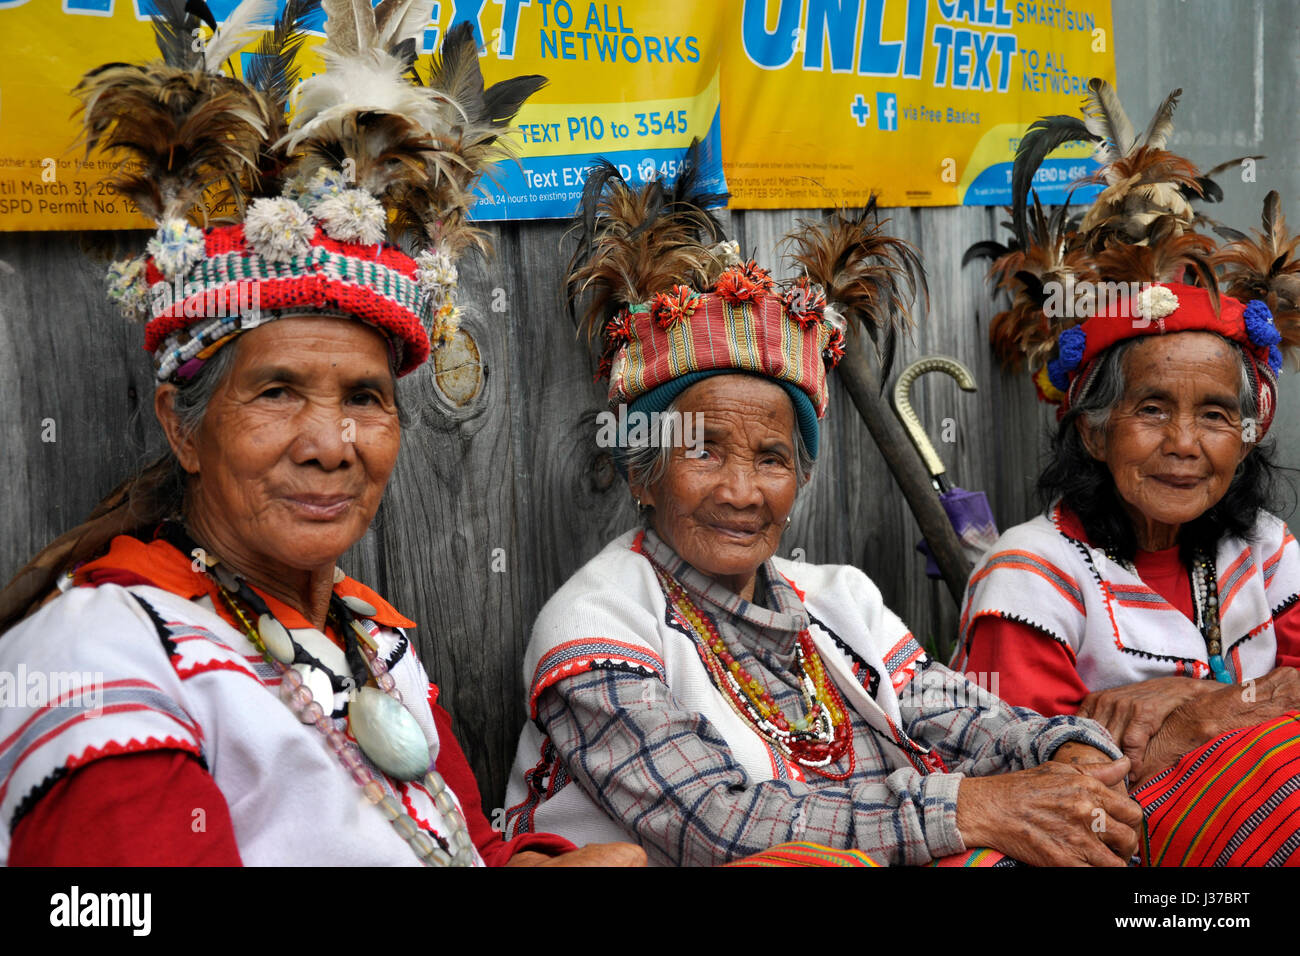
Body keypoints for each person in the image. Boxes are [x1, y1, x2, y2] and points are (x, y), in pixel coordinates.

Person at [0, 5, 641, 867]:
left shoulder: (373, 641)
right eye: (275, 392)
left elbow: (462, 847)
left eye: (365, 398)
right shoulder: (101, 650)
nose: (332, 443)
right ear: (181, 430)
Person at [501, 162, 1142, 867]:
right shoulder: (596, 625)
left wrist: (1071, 754)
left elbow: (960, 715)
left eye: (772, 459)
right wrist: (972, 807)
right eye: (704, 453)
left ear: (801, 477)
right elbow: (721, 825)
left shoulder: (839, 601)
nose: (743, 492)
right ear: (641, 474)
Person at [955, 283, 1300, 866]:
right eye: (1152, 410)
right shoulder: (1030, 573)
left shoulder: (1265, 545)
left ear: (1244, 440)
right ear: (1093, 432)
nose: (1184, 444)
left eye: (1215, 415)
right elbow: (1038, 783)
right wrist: (1215, 716)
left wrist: (1196, 702)